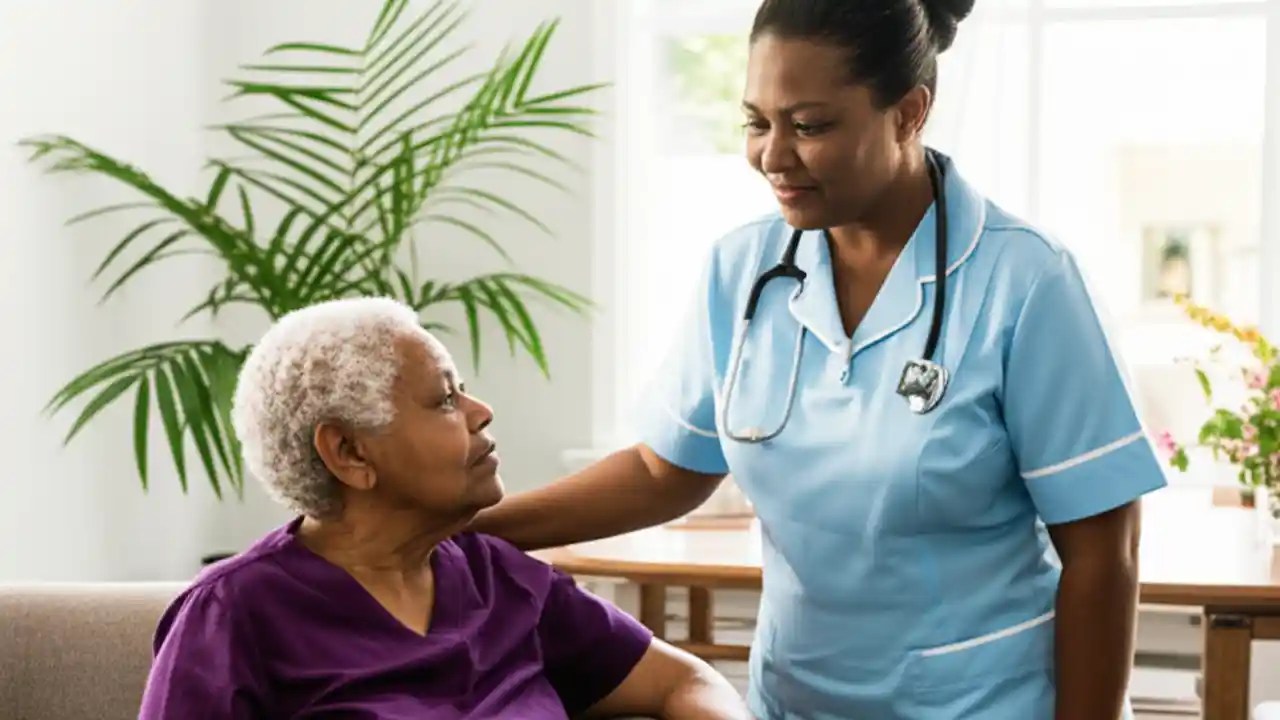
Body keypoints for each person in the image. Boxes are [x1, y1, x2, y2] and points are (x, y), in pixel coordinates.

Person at [471, 0, 1170, 718]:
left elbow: (1102, 555)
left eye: (809, 126)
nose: (773, 156)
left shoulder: (1026, 281)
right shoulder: (742, 269)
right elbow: (664, 472)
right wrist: (462, 528)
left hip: (978, 702)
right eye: (757, 122)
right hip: (792, 701)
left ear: (908, 112)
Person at [137, 297, 749, 720]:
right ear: (349, 452)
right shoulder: (234, 614)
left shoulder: (499, 577)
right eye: (444, 399)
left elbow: (686, 681)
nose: (481, 411)